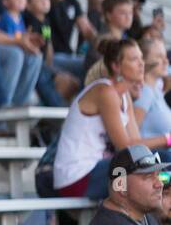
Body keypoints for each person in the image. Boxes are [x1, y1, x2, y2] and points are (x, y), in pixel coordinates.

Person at [53, 39, 169, 198]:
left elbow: (136, 142)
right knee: (154, 169)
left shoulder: (124, 95)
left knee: (163, 165)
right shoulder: (105, 91)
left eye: (141, 58)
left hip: (101, 171)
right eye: (134, 59)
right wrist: (167, 140)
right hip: (77, 177)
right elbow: (126, 147)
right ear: (116, 66)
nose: (141, 64)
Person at [135, 30, 171, 141]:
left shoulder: (155, 90)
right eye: (159, 57)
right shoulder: (144, 92)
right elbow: (131, 143)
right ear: (143, 61)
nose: (166, 61)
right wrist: (168, 140)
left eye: (165, 56)